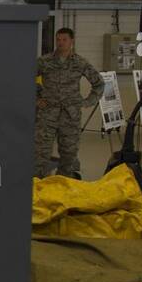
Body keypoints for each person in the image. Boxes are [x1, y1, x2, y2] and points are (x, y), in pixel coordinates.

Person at [35, 27, 104, 179]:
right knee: (40, 153)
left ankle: (63, 186)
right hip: (47, 113)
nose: (60, 43)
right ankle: (39, 187)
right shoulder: (44, 61)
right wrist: (37, 97)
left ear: (71, 41)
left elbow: (99, 83)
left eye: (64, 40)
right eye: (58, 39)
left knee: (68, 154)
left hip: (70, 116)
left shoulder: (80, 63)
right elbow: (24, 77)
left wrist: (87, 102)